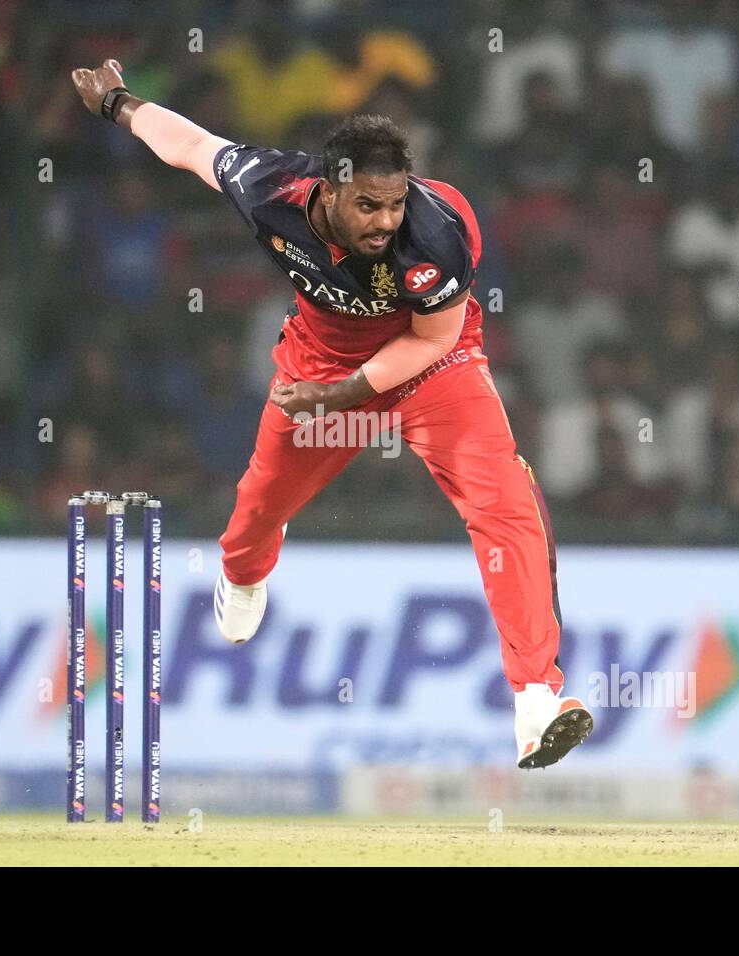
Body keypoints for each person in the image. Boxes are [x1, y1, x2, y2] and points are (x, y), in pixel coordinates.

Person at [71, 60, 590, 769]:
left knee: (505, 504)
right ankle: (244, 572)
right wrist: (118, 105)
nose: (385, 222)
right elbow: (192, 146)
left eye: (395, 204)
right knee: (260, 504)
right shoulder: (269, 188)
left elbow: (433, 338)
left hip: (431, 365)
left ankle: (536, 698)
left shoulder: (436, 233)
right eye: (369, 206)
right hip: (318, 362)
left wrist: (344, 397)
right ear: (331, 187)